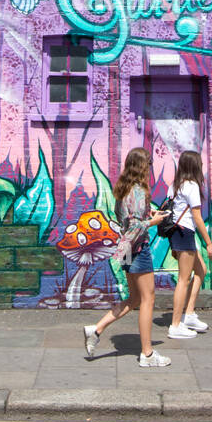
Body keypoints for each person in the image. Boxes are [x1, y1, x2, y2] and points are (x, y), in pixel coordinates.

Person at [83, 148, 172, 367]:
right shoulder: (139, 190)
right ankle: (148, 354)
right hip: (139, 249)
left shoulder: (123, 189)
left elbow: (124, 218)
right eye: (148, 164)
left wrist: (148, 214)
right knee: (148, 300)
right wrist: (153, 222)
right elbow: (135, 226)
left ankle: (96, 330)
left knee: (134, 300)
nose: (150, 169)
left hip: (127, 249)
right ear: (142, 166)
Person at [165, 150, 212, 340]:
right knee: (184, 279)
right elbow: (196, 217)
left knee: (201, 269)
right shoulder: (192, 186)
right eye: (200, 164)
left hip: (177, 233)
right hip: (185, 232)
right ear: (194, 166)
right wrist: (209, 243)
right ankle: (175, 325)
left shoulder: (174, 186)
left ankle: (189, 314)